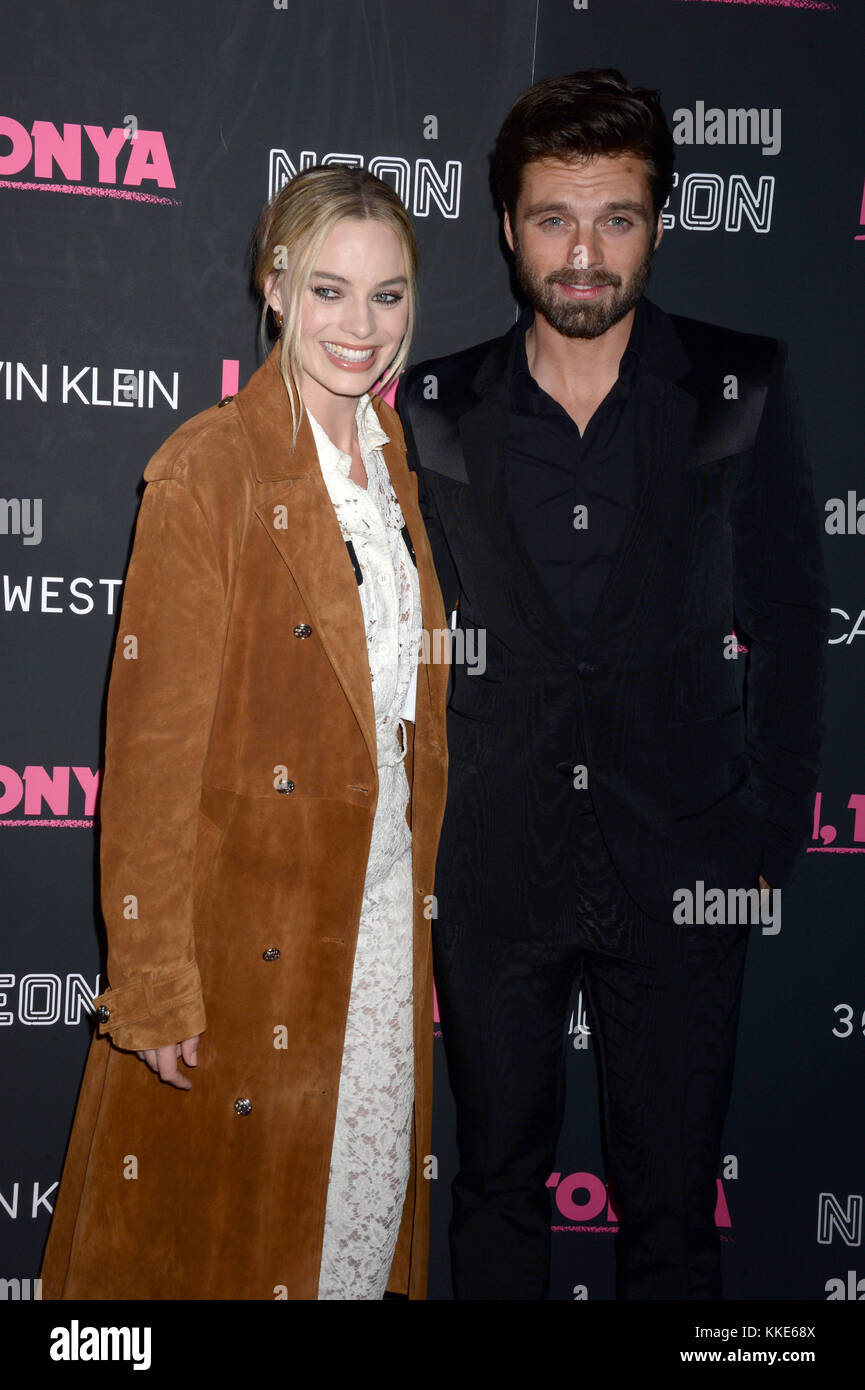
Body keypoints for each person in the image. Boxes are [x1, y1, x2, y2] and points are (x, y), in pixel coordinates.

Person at [397, 69, 829, 1300]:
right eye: (552, 219)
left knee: (674, 1217)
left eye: (616, 218)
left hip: (688, 861)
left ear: (658, 222)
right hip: (493, 861)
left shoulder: (739, 387)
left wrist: (768, 835)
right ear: (506, 227)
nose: (583, 253)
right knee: (492, 1191)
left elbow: (793, 621)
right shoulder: (430, 407)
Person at [39, 166, 449, 1301]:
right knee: (228, 1254)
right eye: (328, 290)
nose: (359, 328)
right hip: (244, 948)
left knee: (351, 1247)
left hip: (372, 942)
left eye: (386, 295)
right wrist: (157, 980)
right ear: (274, 291)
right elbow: (150, 758)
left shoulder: (398, 470)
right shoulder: (206, 471)